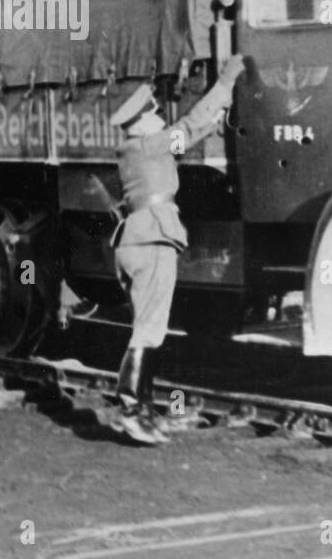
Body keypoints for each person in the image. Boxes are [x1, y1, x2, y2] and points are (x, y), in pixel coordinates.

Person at [105, 54, 248, 444]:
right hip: (152, 240)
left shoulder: (132, 151)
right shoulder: (152, 145)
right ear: (145, 120)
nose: (160, 119)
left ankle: (145, 410)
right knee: (149, 330)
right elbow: (191, 125)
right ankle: (131, 408)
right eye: (155, 114)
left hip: (135, 240)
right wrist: (225, 85)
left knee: (147, 327)